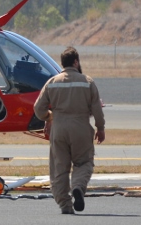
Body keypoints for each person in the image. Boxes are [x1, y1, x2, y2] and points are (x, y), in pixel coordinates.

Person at [33, 46, 105, 215]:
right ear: (76, 62)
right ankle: (78, 187)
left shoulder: (52, 83)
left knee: (60, 168)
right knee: (84, 162)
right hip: (81, 128)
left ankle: (65, 205)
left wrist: (50, 117)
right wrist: (100, 128)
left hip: (59, 129)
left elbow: (38, 109)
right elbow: (97, 110)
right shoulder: (87, 82)